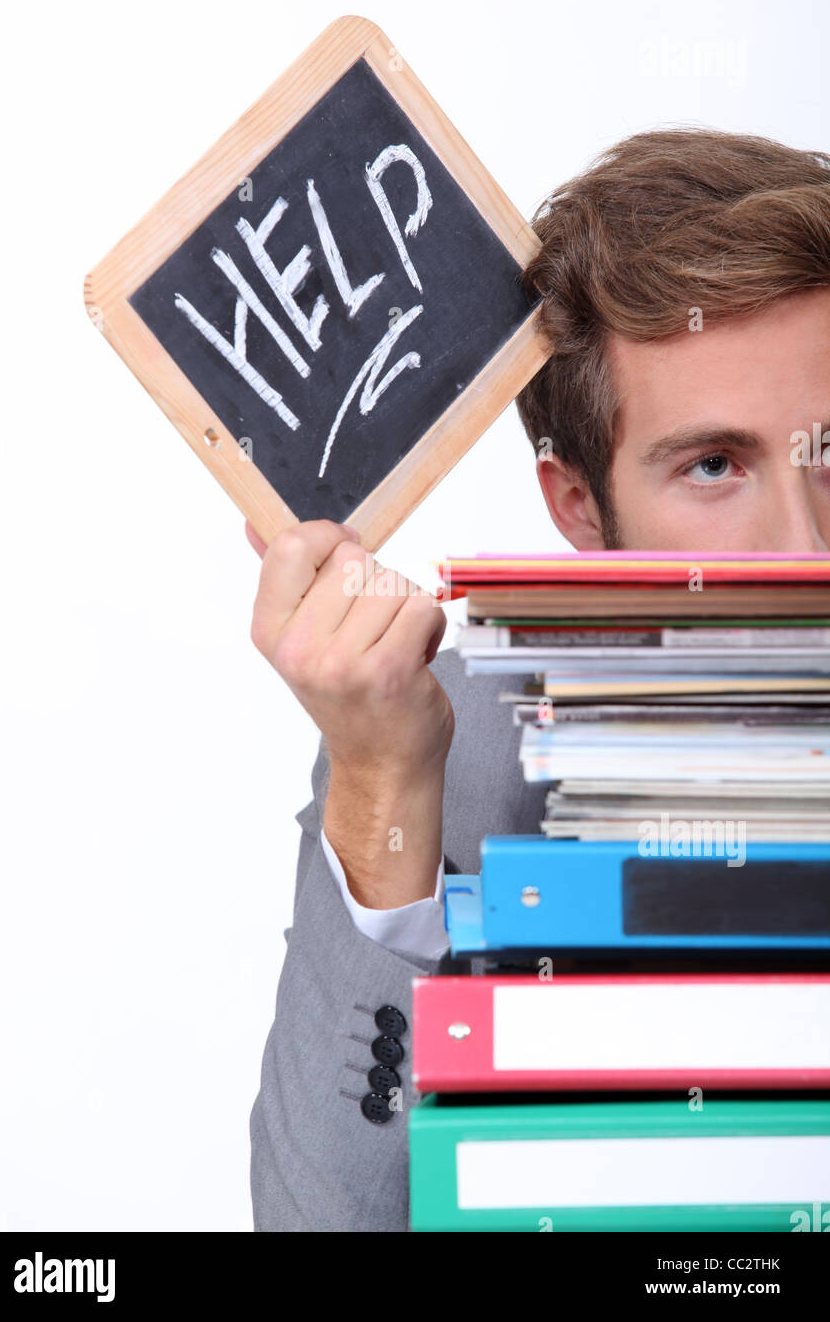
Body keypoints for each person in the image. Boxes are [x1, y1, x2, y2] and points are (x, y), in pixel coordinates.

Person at [245, 127, 830, 1231]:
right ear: (575, 508)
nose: (802, 549)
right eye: (712, 465)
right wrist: (382, 785)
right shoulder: (445, 745)